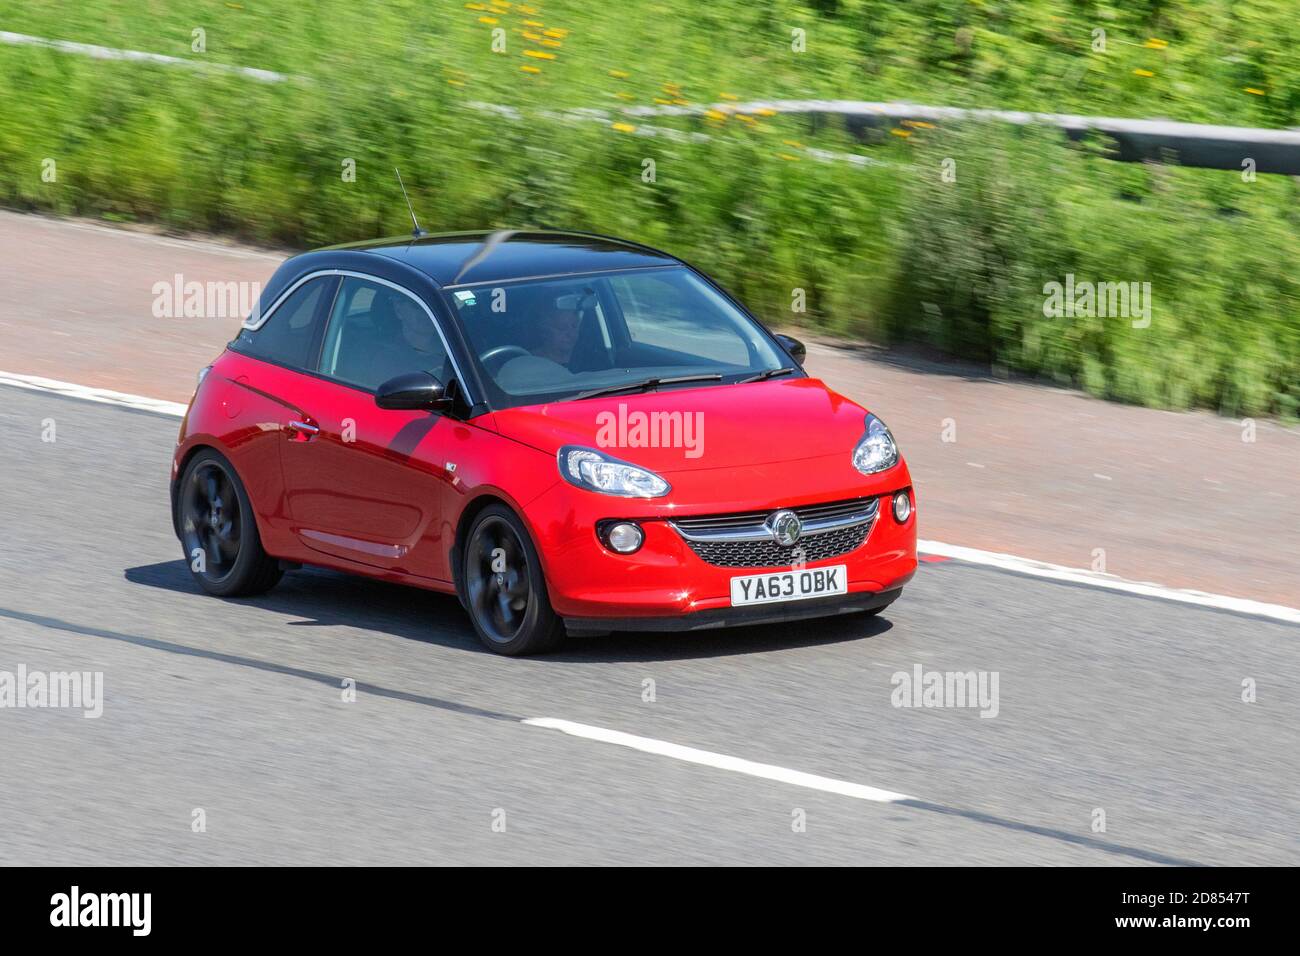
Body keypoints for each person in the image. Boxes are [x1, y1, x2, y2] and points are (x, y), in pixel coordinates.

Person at [532, 297, 581, 368]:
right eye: (562, 328)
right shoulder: (530, 362)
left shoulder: (591, 357)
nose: (570, 334)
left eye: (574, 326)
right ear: (545, 331)